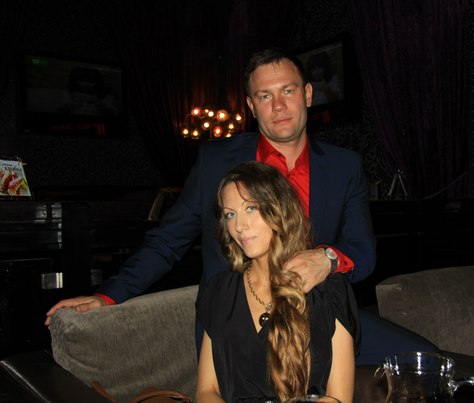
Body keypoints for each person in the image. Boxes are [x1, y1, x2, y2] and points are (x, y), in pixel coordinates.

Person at [45, 47, 437, 364]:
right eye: (265, 96)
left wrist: (328, 259)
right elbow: (168, 239)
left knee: (427, 362)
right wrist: (108, 295)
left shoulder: (344, 165)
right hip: (239, 322)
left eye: (288, 91)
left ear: (308, 95)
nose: (278, 105)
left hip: (321, 312)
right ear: (251, 106)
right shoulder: (217, 161)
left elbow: (364, 251)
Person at [197, 161, 359, 402]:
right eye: (230, 214)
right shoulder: (219, 291)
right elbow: (206, 391)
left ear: (280, 210)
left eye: (251, 208)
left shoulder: (328, 292)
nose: (239, 226)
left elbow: (339, 398)